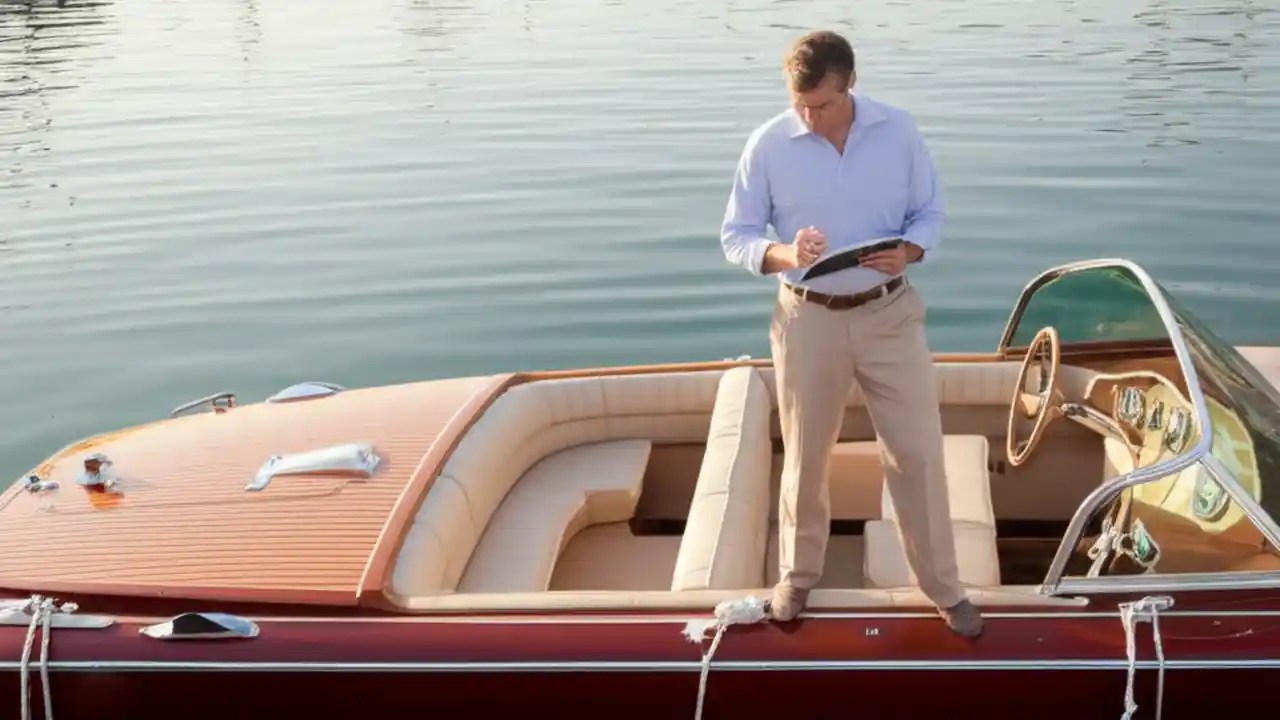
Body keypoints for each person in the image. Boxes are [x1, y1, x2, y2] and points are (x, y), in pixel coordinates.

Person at [718, 29, 983, 638]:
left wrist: (910, 249)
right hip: (807, 318)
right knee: (807, 458)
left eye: (822, 104)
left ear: (851, 86)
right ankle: (797, 577)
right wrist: (784, 252)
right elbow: (736, 235)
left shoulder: (900, 132)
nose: (809, 116)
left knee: (915, 453)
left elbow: (931, 212)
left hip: (890, 313)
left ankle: (943, 587)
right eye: (800, 104)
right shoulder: (767, 144)